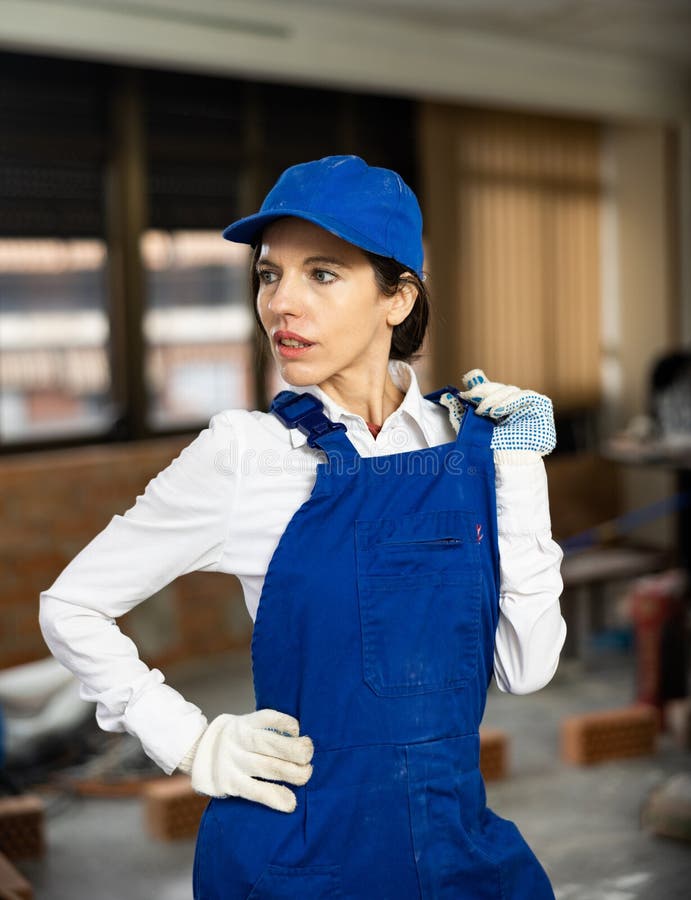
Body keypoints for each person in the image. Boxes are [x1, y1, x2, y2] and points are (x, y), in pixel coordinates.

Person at [39, 155, 567, 899]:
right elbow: (71, 605)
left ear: (398, 297)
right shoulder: (245, 454)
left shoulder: (473, 446)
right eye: (268, 274)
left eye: (321, 274)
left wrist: (519, 468)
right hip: (300, 856)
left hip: (455, 850)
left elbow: (527, 667)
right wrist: (188, 739)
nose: (281, 303)